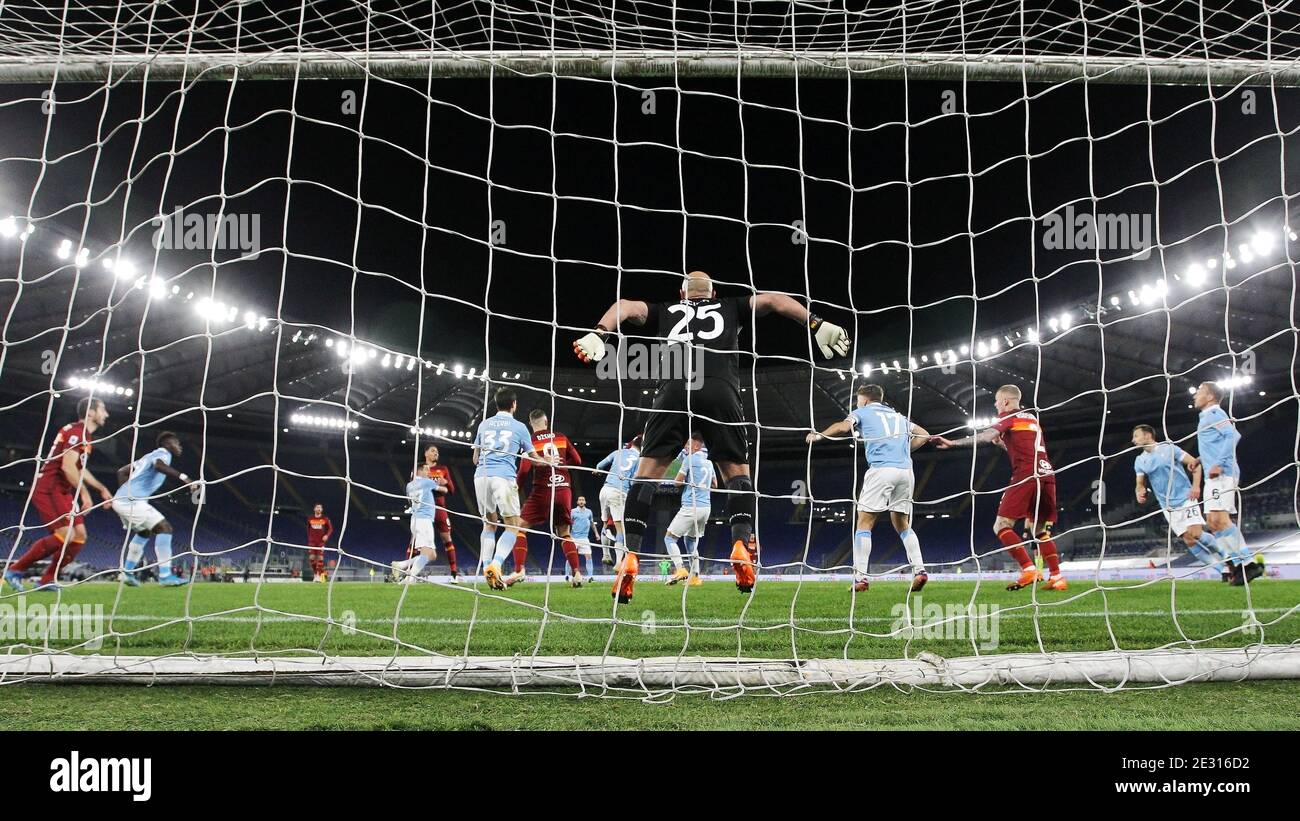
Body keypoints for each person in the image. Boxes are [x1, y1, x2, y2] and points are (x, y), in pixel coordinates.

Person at [573, 270, 850, 603]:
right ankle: (740, 543)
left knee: (645, 478)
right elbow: (775, 300)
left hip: (673, 390)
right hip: (721, 390)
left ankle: (630, 554)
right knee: (737, 474)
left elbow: (626, 306)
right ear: (714, 294)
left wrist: (599, 332)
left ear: (681, 295)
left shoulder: (667, 310)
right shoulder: (730, 307)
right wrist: (816, 323)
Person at [934, 384, 1067, 591]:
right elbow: (1024, 448)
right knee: (1040, 530)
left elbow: (986, 436)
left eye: (997, 401)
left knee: (1001, 525)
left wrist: (953, 443)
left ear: (1005, 401)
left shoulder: (1008, 418)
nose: (996, 405)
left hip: (1026, 475)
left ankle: (1028, 569)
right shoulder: (1032, 418)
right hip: (1047, 474)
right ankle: (1057, 577)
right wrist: (1002, 444)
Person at [807, 384, 930, 594]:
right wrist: (902, 449)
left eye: (857, 401)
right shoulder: (898, 416)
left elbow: (843, 427)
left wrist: (817, 435)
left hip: (881, 469)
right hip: (905, 471)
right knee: (902, 522)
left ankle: (860, 578)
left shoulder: (862, 411)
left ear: (863, 400)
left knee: (864, 522)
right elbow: (925, 435)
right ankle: (920, 570)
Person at [6, 398, 115, 592]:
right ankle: (15, 570)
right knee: (66, 534)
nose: (106, 414)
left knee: (80, 536)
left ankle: (47, 579)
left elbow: (79, 468)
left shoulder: (84, 435)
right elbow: (67, 466)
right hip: (49, 487)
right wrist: (84, 494)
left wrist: (100, 488)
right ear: (90, 412)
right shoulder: (76, 432)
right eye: (103, 409)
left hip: (62, 490)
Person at [1131, 424, 1234, 580]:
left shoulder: (1169, 449)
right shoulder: (1140, 460)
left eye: (1136, 436)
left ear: (1147, 436)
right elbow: (1139, 483)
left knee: (1196, 534)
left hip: (1186, 498)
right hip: (1167, 506)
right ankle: (1223, 571)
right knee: (1189, 539)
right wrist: (1140, 492)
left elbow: (1195, 465)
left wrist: (1196, 486)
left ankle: (1229, 556)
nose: (1133, 440)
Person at [1192, 381, 1263, 583]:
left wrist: (1218, 463)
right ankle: (1239, 565)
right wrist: (1200, 459)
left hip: (1222, 474)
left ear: (1210, 397)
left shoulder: (1215, 413)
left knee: (1221, 520)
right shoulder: (1207, 416)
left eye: (1199, 392)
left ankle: (1249, 564)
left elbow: (1233, 435)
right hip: (1213, 474)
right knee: (1213, 522)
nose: (1195, 396)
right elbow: (1215, 443)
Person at [472, 388, 540, 590]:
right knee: (512, 525)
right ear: (514, 405)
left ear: (496, 404)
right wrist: (549, 461)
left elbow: (475, 458)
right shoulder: (519, 427)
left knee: (489, 525)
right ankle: (496, 564)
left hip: (481, 477)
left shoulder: (484, 424)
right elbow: (534, 458)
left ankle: (486, 568)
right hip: (504, 477)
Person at [512, 409, 585, 587]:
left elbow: (524, 470)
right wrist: (562, 465)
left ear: (531, 423)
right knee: (565, 533)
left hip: (542, 489)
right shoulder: (560, 437)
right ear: (546, 422)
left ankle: (519, 569)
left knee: (518, 528)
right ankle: (577, 574)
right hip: (563, 489)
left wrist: (516, 489)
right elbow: (578, 461)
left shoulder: (530, 441)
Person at [115, 431, 193, 587]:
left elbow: (121, 472)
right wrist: (185, 478)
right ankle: (165, 576)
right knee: (165, 528)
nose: (180, 447)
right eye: (176, 443)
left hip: (122, 500)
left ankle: (127, 573)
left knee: (144, 533)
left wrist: (126, 492)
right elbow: (159, 465)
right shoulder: (162, 453)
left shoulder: (145, 458)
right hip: (131, 502)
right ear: (167, 444)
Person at [664, 432, 716, 587]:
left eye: (688, 444)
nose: (685, 447)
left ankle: (680, 569)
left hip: (691, 506)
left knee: (669, 538)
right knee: (691, 541)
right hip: (706, 507)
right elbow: (714, 485)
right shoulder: (709, 463)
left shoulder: (688, 459)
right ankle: (695, 577)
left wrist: (683, 477)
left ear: (696, 445)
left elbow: (677, 483)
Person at [391, 465, 438, 584]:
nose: (429, 471)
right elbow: (441, 487)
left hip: (415, 520)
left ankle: (401, 565)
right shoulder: (426, 482)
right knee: (426, 553)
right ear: (419, 471)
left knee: (432, 555)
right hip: (424, 520)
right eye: (426, 469)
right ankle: (409, 579)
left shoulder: (409, 486)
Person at [423, 445, 460, 582]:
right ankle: (409, 574)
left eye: (437, 452)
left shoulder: (443, 469)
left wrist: (445, 483)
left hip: (439, 508)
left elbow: (452, 489)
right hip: (424, 508)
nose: (436, 453)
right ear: (425, 453)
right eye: (433, 450)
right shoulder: (419, 469)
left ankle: (454, 574)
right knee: (415, 540)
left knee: (447, 539)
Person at [570, 495, 599, 580]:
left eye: (583, 500)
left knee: (589, 556)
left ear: (585, 502)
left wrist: (596, 534)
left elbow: (592, 523)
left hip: (584, 538)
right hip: (574, 537)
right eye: (580, 500)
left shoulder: (589, 512)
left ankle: (590, 576)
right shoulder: (573, 511)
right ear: (577, 502)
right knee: (571, 557)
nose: (581, 501)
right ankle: (567, 576)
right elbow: (568, 523)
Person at [305, 503, 334, 583]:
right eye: (317, 507)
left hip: (321, 542)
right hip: (312, 542)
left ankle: (318, 575)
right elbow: (308, 528)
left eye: (320, 508)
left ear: (322, 510)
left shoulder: (325, 519)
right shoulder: (310, 518)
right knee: (312, 558)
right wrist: (310, 537)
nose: (318, 509)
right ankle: (318, 574)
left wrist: (327, 536)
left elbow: (330, 529)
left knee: (320, 558)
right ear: (314, 509)